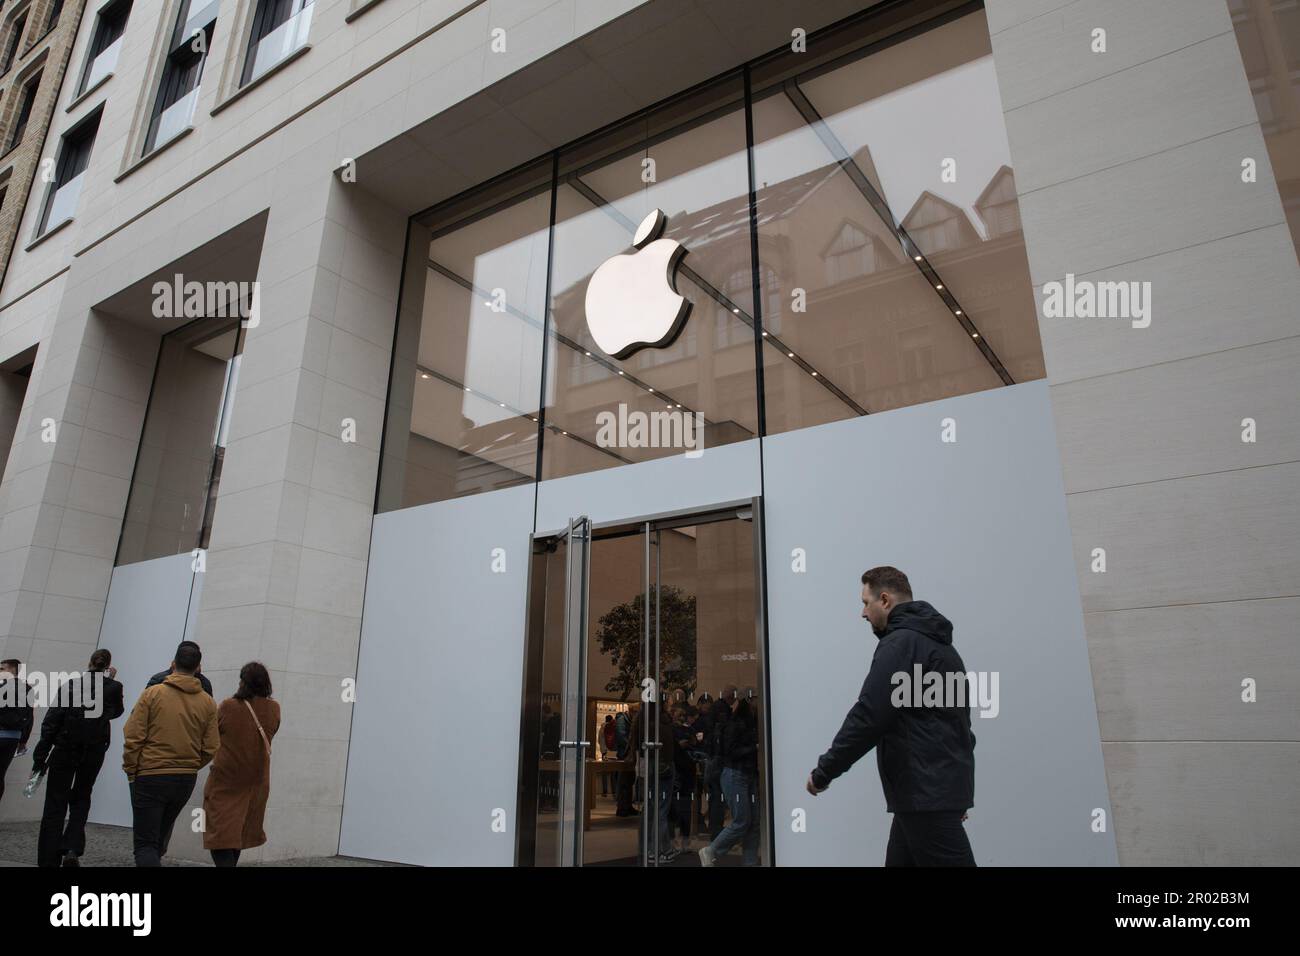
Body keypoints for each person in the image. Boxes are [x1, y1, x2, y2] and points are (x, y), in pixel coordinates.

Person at [805, 566, 976, 867]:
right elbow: (960, 724)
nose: (862, 613)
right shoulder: (942, 647)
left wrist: (824, 771)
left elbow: (870, 715)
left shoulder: (900, 645)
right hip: (928, 794)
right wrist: (956, 793)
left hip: (923, 794)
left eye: (864, 603)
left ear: (884, 600)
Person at [122, 642, 219, 866]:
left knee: (145, 844)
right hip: (184, 778)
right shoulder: (207, 702)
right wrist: (193, 764)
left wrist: (131, 768)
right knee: (157, 841)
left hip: (150, 774)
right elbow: (211, 745)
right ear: (198, 667)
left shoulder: (153, 693)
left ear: (173, 664)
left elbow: (133, 735)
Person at [32, 650, 125, 867]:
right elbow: (115, 712)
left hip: (65, 748)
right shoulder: (113, 687)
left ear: (90, 663)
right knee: (82, 797)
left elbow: (52, 720)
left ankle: (48, 858)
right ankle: (72, 847)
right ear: (107, 666)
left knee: (55, 803)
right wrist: (108, 681)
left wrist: (41, 754)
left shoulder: (71, 685)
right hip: (93, 750)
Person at [203, 662, 279, 867]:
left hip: (227, 781)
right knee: (238, 835)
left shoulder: (229, 706)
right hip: (256, 781)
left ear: (243, 682)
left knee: (220, 836)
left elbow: (211, 736)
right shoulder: (274, 709)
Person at [698, 693, 760, 866]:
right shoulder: (736, 725)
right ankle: (712, 850)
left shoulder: (749, 724)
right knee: (743, 821)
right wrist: (754, 748)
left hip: (746, 774)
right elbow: (730, 752)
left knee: (752, 823)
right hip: (736, 773)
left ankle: (750, 862)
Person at [628, 700, 677, 863]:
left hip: (645, 767)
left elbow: (636, 747)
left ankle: (647, 849)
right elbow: (670, 748)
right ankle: (661, 850)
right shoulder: (662, 721)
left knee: (649, 810)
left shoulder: (640, 721)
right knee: (661, 810)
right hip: (662, 767)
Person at [0, 659, 34, 805]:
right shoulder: (26, 688)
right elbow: (30, 716)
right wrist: (23, 741)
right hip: (13, 738)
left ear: (12, 670)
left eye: (2, 669)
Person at [146, 641, 213, 697]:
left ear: (174, 661)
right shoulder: (204, 684)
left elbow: (141, 709)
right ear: (197, 665)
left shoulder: (157, 680)